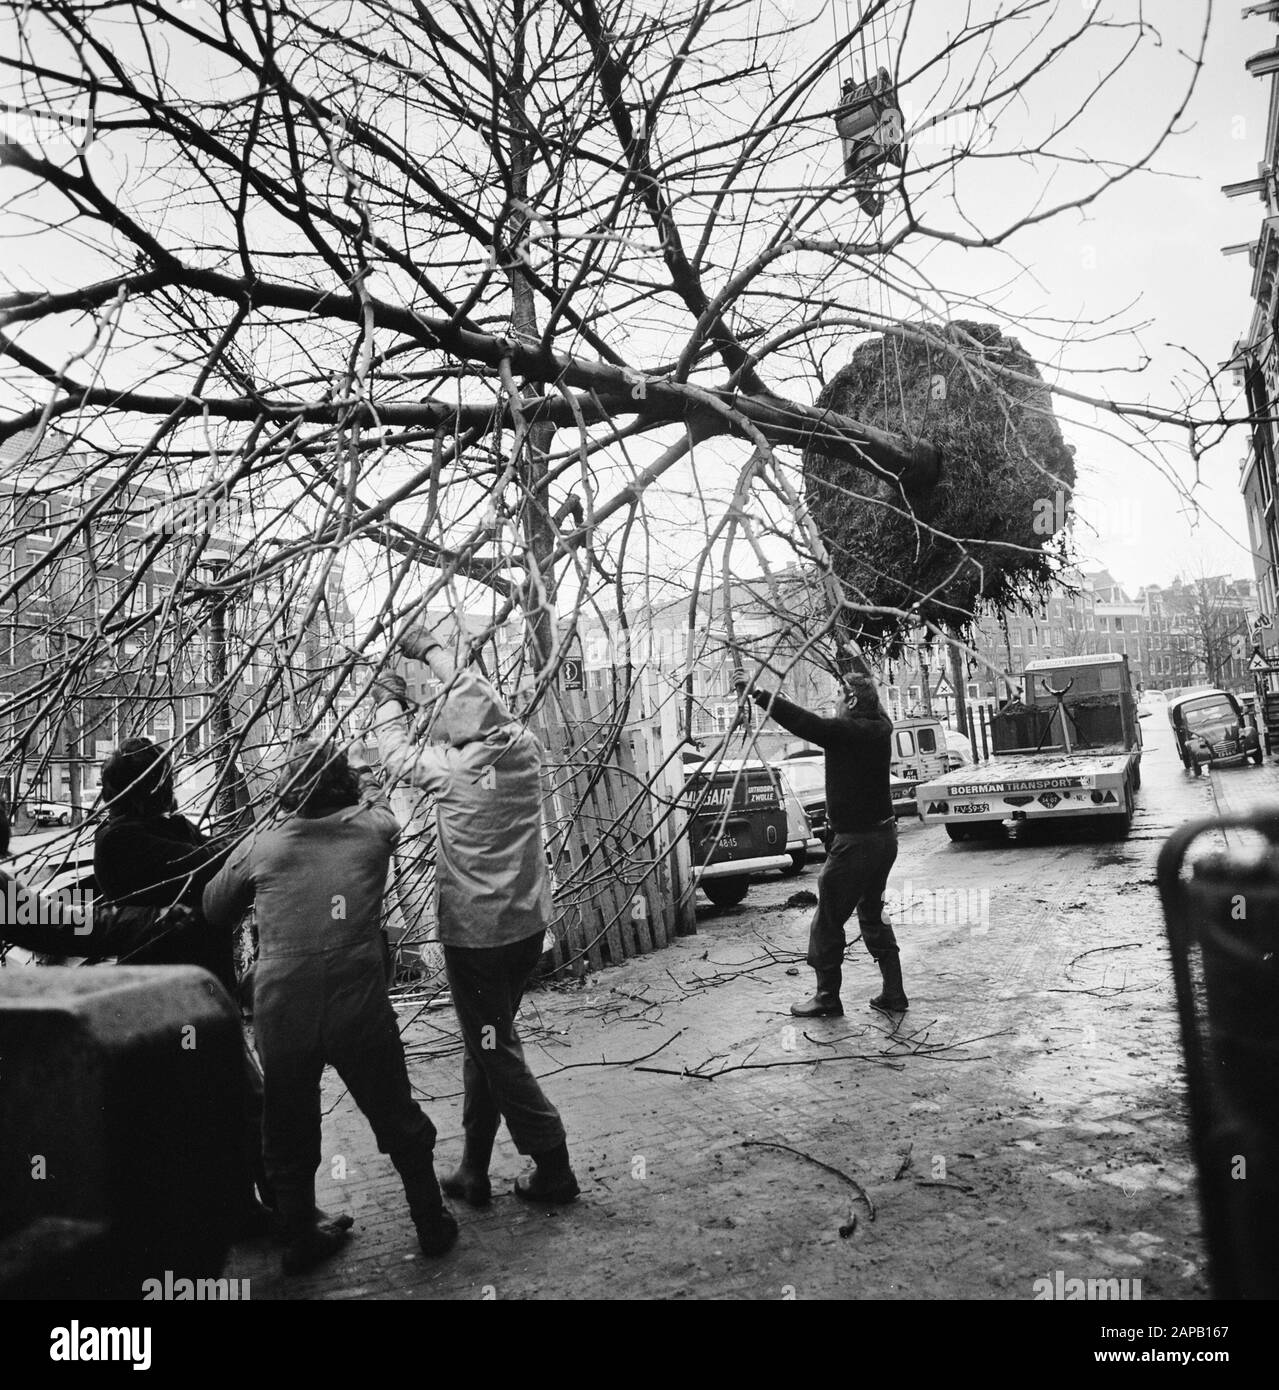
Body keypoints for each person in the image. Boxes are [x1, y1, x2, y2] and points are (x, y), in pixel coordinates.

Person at [203, 740, 457, 1275]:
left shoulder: (264, 844)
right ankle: (430, 1221)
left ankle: (298, 1237)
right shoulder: (373, 831)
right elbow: (385, 810)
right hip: (357, 1002)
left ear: (288, 793)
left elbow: (213, 906)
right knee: (394, 1111)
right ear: (344, 785)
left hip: (283, 1008)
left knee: (287, 1126)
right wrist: (362, 782)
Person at [371, 619, 579, 1208]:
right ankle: (472, 1169)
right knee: (485, 1042)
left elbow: (391, 752)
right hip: (526, 928)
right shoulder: (524, 750)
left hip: (478, 939)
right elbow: (474, 692)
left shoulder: (452, 768)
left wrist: (387, 696)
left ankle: (554, 1164)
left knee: (495, 1051)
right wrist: (433, 650)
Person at [751, 674, 909, 1018]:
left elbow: (806, 724)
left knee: (827, 920)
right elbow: (856, 708)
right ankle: (894, 992)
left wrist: (762, 695)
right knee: (872, 912)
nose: (833, 702)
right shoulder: (882, 725)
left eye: (839, 695)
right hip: (884, 839)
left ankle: (827, 997)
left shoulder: (846, 732)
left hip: (855, 845)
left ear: (851, 702)